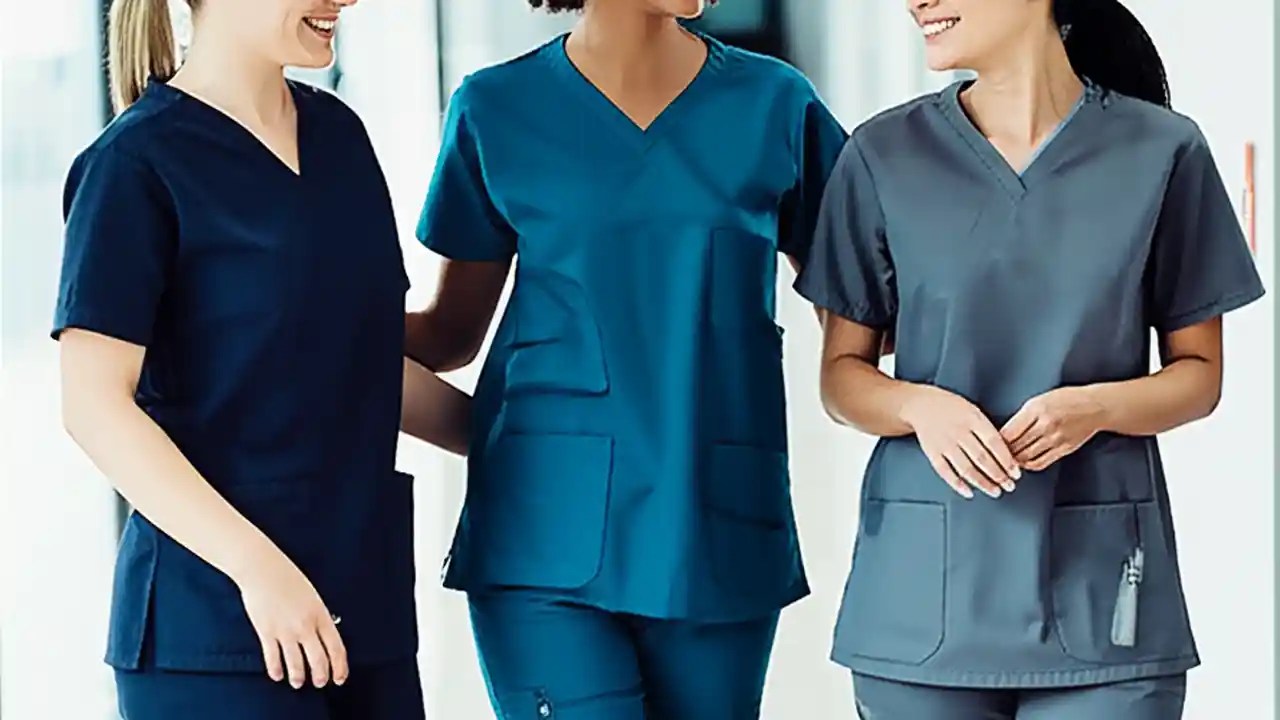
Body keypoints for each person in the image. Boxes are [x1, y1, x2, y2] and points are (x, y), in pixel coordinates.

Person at [795, 0, 1265, 717]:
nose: (915, 1)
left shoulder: (1162, 152)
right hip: (923, 607)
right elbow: (842, 377)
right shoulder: (883, 155)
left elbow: (1199, 377)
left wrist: (1096, 407)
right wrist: (919, 405)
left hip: (1106, 606)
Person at [403, 0, 847, 716]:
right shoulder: (495, 107)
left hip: (716, 519)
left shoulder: (775, 104)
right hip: (540, 527)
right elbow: (451, 332)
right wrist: (297, 324)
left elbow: (860, 310)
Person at [54, 1, 469, 717]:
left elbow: (354, 363)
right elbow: (94, 407)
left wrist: (523, 439)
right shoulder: (133, 166)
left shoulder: (340, 136)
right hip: (216, 634)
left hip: (366, 615)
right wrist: (260, 573)